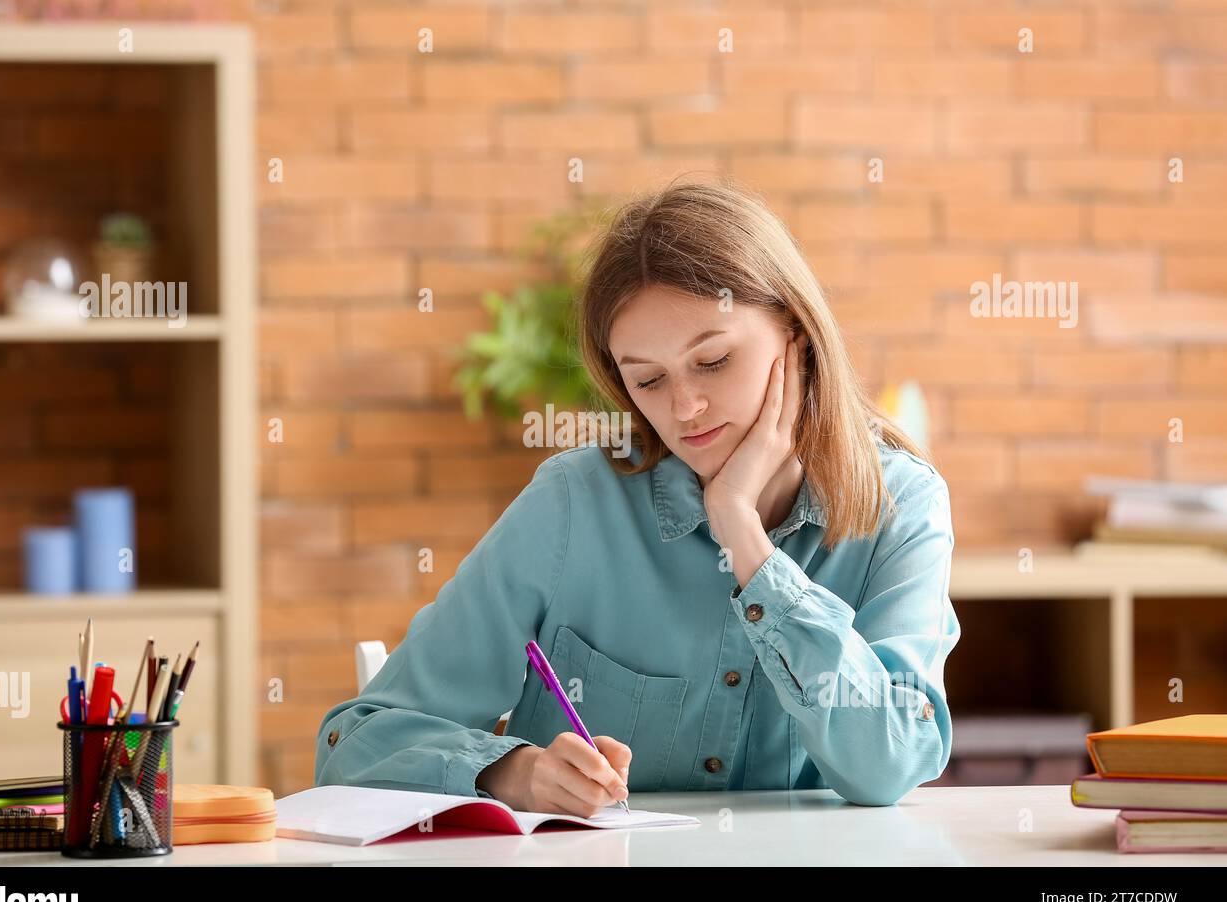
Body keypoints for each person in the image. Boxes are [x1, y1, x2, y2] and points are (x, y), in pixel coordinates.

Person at [315, 176, 960, 816]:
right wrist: (516, 773)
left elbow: (889, 765)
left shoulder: (901, 504)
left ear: (795, 336)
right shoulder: (573, 505)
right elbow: (354, 741)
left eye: (713, 362)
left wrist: (746, 540)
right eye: (648, 380)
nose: (684, 408)